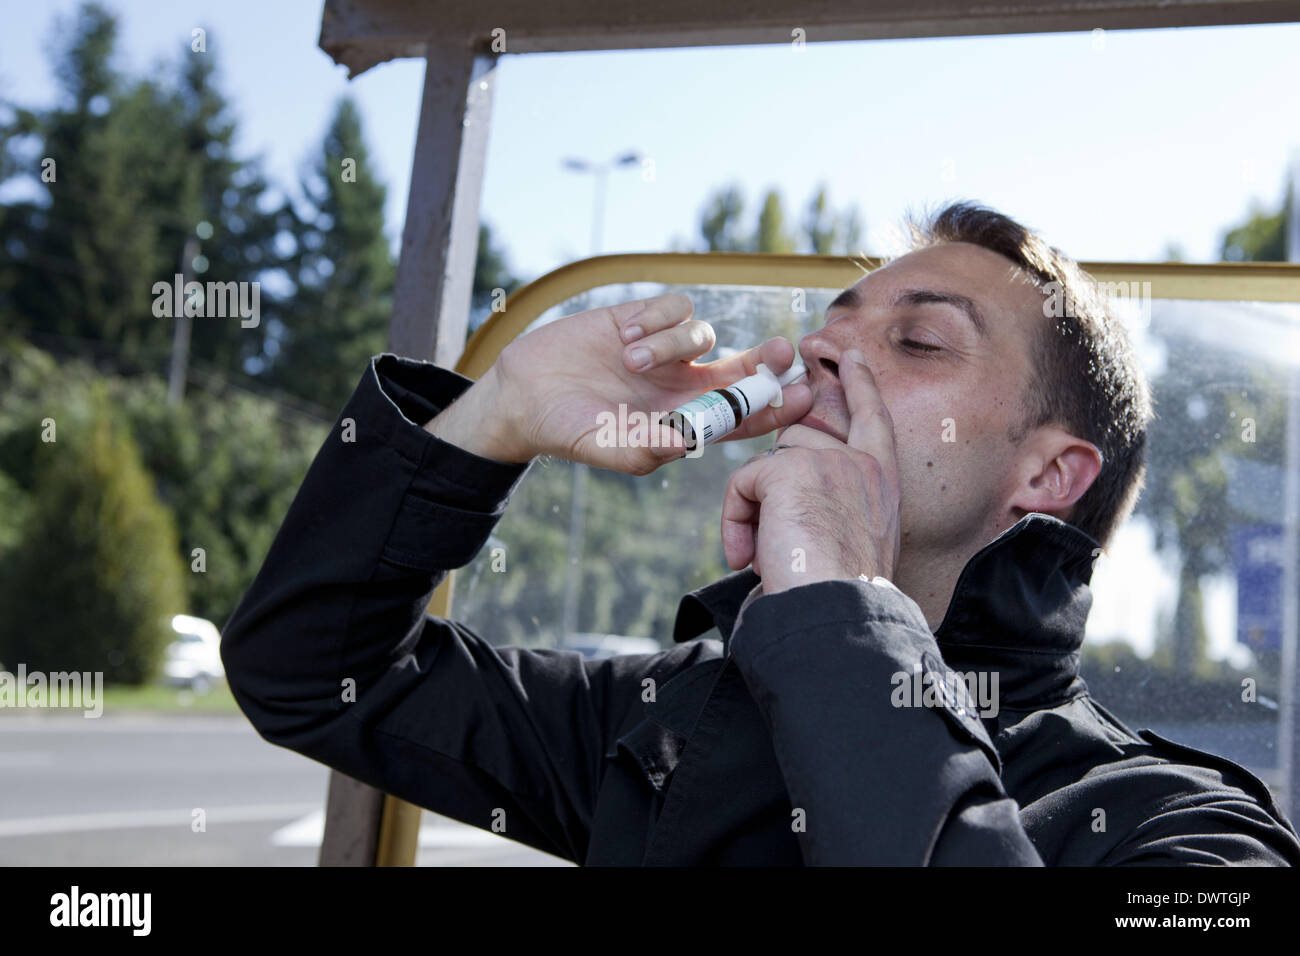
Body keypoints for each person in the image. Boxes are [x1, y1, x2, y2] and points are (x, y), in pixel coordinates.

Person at [220, 202, 1300, 865]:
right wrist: (491, 415)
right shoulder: (654, 724)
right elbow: (310, 671)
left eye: (918, 339)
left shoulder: (1178, 827)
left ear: (1048, 474)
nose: (822, 351)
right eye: (830, 322)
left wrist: (840, 612)